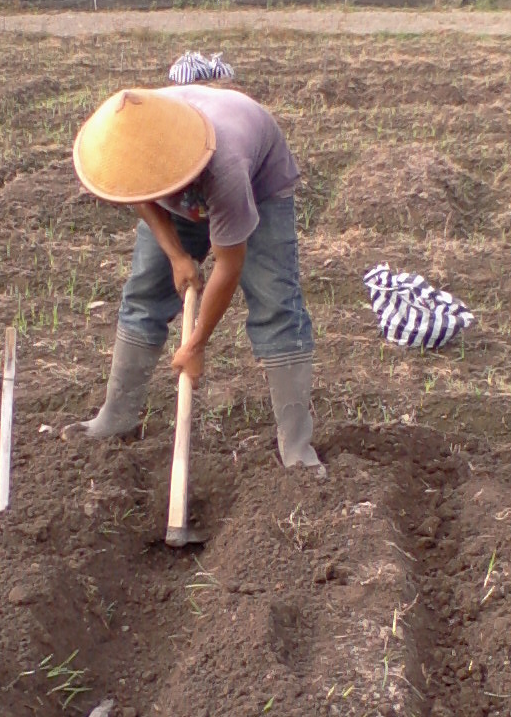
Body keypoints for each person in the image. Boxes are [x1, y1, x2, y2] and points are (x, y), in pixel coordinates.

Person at [69, 84, 323, 471]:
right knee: (144, 293)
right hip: (184, 193)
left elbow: (229, 265)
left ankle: (297, 449)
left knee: (276, 304)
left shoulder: (226, 169)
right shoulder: (135, 137)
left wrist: (197, 343)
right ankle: (116, 417)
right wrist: (175, 255)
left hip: (258, 187)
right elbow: (136, 192)